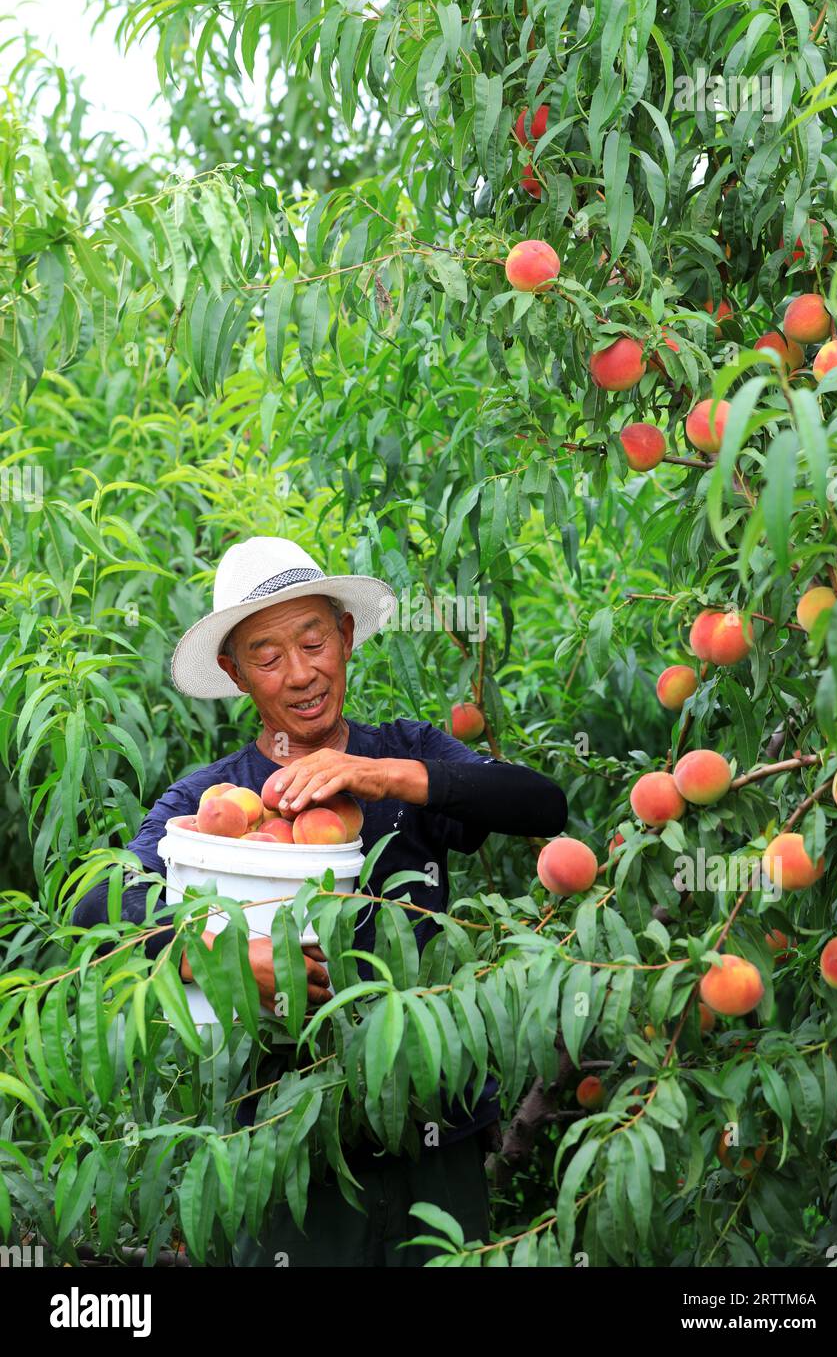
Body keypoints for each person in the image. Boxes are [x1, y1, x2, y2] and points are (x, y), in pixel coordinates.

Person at [72, 536, 568, 1266]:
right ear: (234, 672)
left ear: (345, 635)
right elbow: (99, 908)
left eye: (314, 641)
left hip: (437, 1130)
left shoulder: (404, 751)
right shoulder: (213, 799)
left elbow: (541, 805)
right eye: (268, 657)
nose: (301, 674)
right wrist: (216, 954)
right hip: (287, 1139)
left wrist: (387, 776)